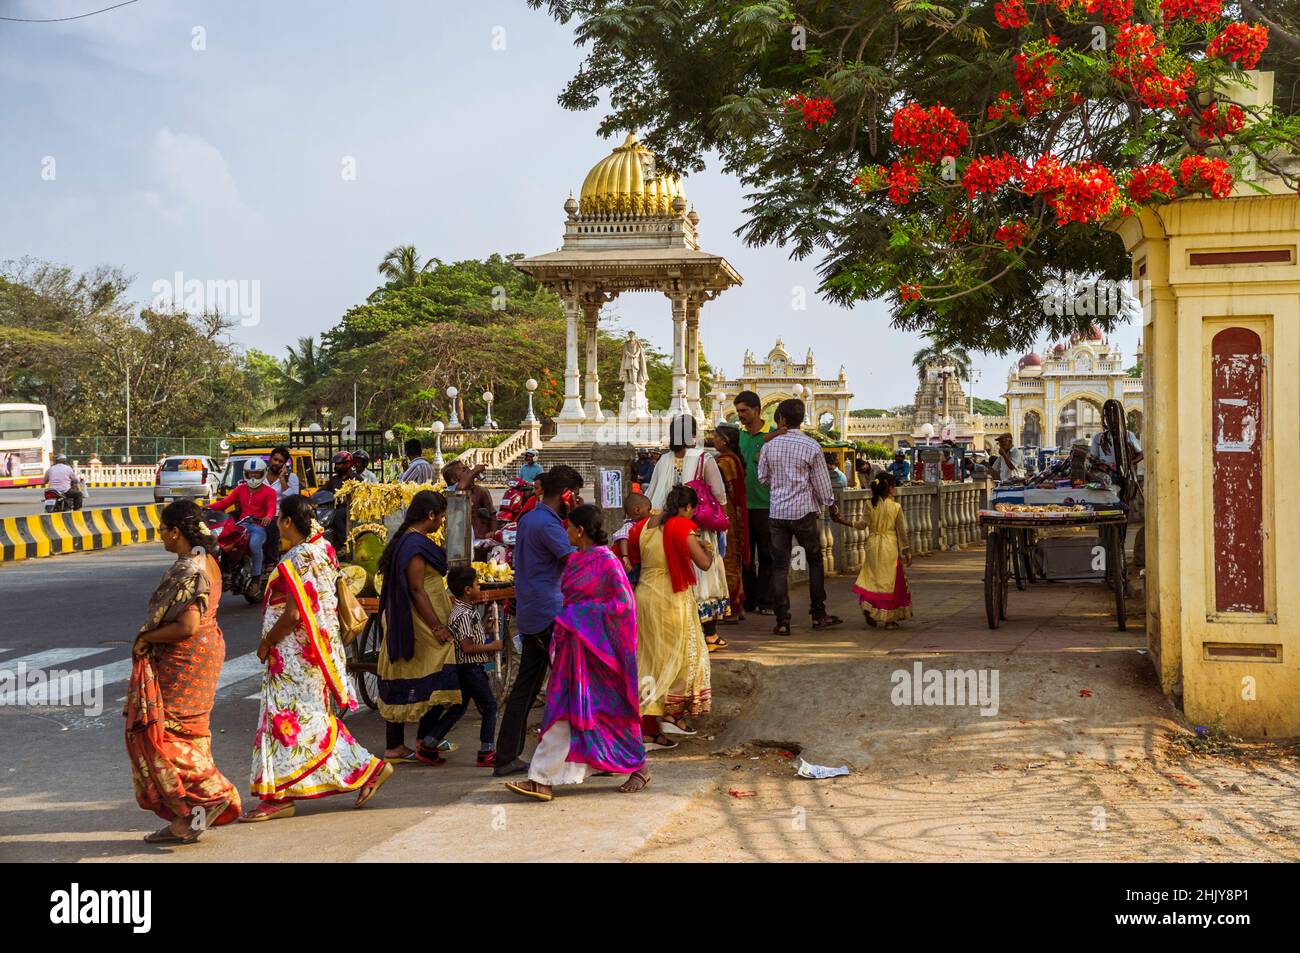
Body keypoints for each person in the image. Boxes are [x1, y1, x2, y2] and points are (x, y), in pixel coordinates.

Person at [241, 495, 391, 821]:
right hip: (317, 655)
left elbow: (293, 614)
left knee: (286, 722)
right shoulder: (323, 551)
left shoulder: (295, 560)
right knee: (309, 721)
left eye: (279, 518)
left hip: (293, 657)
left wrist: (267, 642)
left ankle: (282, 794)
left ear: (287, 522)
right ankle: (290, 790)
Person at [505, 505, 649, 801]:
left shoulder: (608, 561)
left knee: (607, 712)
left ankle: (639, 767)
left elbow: (624, 605)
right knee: (567, 712)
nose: (565, 532)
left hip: (600, 653)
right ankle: (543, 778)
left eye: (568, 527)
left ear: (580, 530)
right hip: (575, 651)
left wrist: (580, 616)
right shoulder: (576, 561)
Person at [125, 500, 241, 844]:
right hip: (206, 652)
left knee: (167, 734)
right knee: (192, 735)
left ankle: (215, 793)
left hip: (185, 657)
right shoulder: (208, 561)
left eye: (162, 529)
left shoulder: (188, 569)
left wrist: (146, 637)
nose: (160, 535)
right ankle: (190, 819)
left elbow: (187, 626)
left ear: (176, 532)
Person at [494, 465, 584, 777]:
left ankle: (506, 755)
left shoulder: (532, 517)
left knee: (527, 686)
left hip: (533, 609)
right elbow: (573, 561)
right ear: (567, 495)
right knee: (569, 684)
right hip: (549, 611)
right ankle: (570, 758)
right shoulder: (548, 525)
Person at [373, 489, 463, 764]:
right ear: (430, 515)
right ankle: (417, 741)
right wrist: (437, 626)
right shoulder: (413, 545)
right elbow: (416, 589)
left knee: (410, 673)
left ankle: (418, 740)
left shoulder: (413, 540)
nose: (442, 523)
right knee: (439, 669)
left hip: (418, 617)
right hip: (416, 620)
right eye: (441, 517)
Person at [630, 485, 713, 747]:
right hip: (671, 597)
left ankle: (648, 729)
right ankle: (672, 714)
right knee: (682, 656)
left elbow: (632, 558)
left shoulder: (643, 525)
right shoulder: (681, 526)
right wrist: (706, 547)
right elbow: (704, 563)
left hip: (644, 595)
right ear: (687, 508)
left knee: (649, 659)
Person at [757, 398, 843, 636]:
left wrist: (779, 484)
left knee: (780, 566)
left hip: (777, 513)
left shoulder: (769, 446)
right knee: (814, 560)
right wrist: (832, 507)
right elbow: (823, 486)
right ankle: (818, 613)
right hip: (804, 512)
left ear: (782, 419)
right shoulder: (811, 446)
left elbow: (762, 478)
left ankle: (782, 620)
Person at [647, 414, 731, 650]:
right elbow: (719, 492)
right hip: (697, 529)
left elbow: (651, 493)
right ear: (693, 434)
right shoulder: (705, 458)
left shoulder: (664, 460)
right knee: (705, 573)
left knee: (676, 573)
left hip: (668, 528)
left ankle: (682, 635)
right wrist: (721, 518)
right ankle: (710, 635)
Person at [443, 566, 503, 766]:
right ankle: (486, 751)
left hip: (468, 668)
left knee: (459, 708)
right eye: (477, 584)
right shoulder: (463, 614)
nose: (479, 587)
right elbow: (467, 647)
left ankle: (429, 741)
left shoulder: (466, 611)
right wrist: (491, 645)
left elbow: (470, 636)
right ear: (468, 590)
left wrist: (485, 630)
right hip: (469, 668)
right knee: (490, 706)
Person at [849, 473, 913, 629]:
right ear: (890, 488)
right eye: (894, 486)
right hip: (889, 546)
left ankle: (868, 607)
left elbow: (862, 525)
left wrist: (845, 521)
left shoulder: (870, 505)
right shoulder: (896, 507)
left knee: (872, 577)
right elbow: (902, 531)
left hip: (872, 544)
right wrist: (907, 550)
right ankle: (889, 619)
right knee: (891, 581)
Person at [734, 391, 775, 615]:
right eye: (738, 411)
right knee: (745, 556)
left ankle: (766, 600)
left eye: (744, 411)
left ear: (757, 410)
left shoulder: (773, 436)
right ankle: (750, 599)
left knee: (768, 555)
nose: (740, 415)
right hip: (742, 506)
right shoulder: (738, 438)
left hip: (767, 505)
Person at [210, 458, 277, 589]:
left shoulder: (270, 492)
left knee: (254, 545)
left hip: (259, 527)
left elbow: (271, 508)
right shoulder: (240, 489)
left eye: (256, 473)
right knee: (224, 543)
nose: (253, 476)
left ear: (263, 473)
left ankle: (256, 577)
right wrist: (207, 508)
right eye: (250, 473)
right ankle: (227, 573)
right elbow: (224, 503)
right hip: (241, 526)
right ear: (245, 473)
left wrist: (268, 517)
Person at [709, 424, 750, 623]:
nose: (713, 439)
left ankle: (732, 606)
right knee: (732, 558)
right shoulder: (731, 460)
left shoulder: (724, 463)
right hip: (733, 512)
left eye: (716, 437)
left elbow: (719, 490)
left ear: (724, 440)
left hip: (726, 513)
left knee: (728, 559)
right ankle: (737, 604)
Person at [442, 460, 497, 540]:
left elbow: (492, 515)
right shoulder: (450, 493)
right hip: (458, 542)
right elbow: (461, 488)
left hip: (480, 541)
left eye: (468, 468)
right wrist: (476, 470)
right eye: (464, 470)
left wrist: (493, 533)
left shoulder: (481, 491)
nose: (469, 471)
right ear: (453, 480)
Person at [612, 491, 652, 585]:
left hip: (639, 560)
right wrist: (625, 557)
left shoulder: (645, 523)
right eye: (648, 510)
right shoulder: (629, 525)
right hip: (631, 562)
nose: (650, 513)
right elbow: (623, 537)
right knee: (631, 583)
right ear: (637, 510)